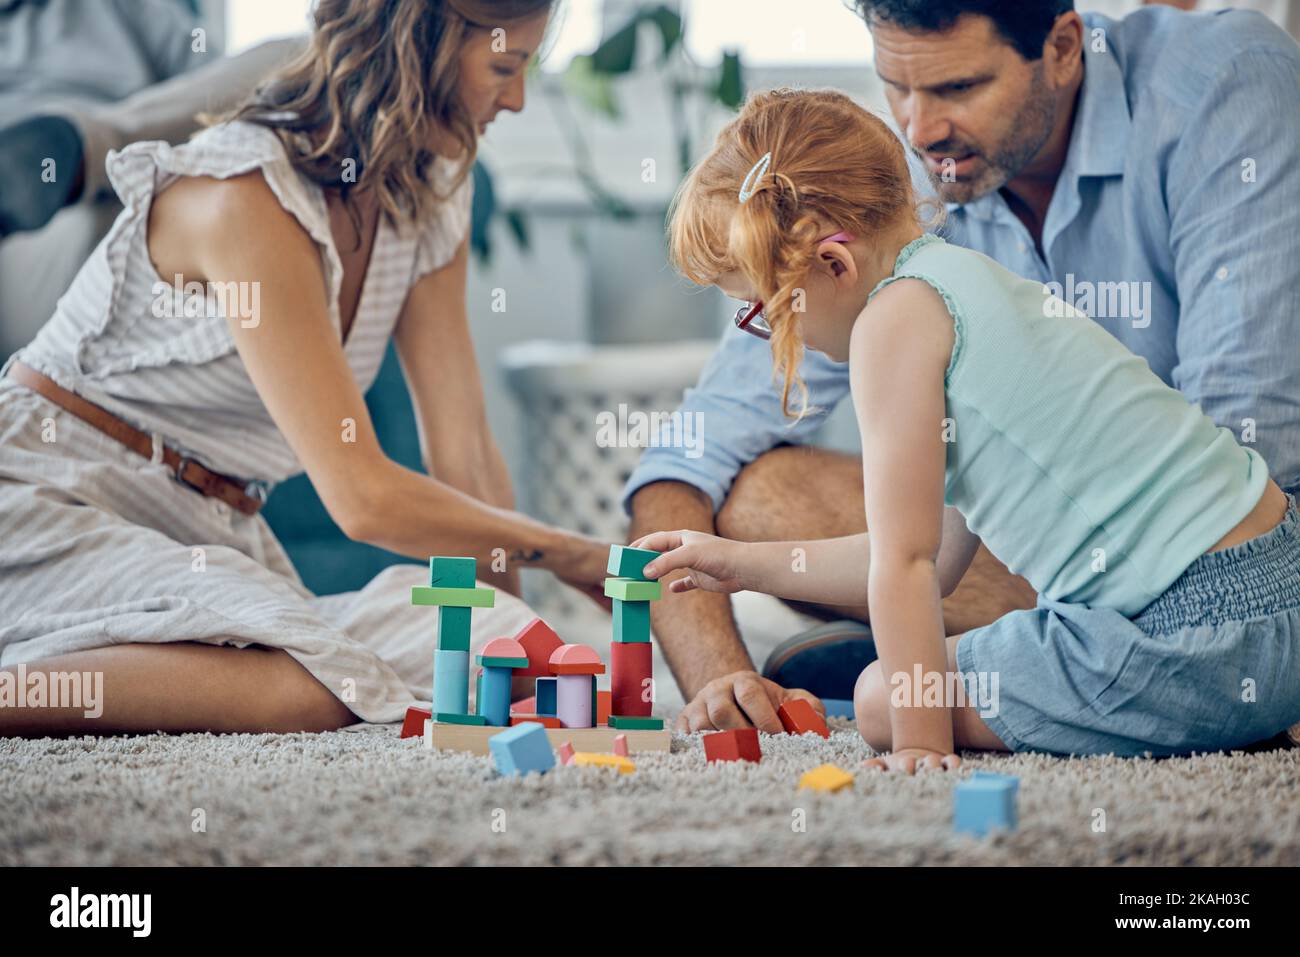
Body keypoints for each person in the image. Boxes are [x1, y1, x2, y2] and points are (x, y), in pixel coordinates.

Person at [625, 0, 1300, 733]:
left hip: (1192, 622)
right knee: (790, 517)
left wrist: (919, 745)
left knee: (886, 695)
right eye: (897, 89)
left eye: (764, 313)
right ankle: (969, 654)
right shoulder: (963, 277)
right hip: (1280, 581)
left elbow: (908, 565)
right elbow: (937, 553)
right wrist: (739, 563)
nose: (920, 130)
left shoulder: (891, 323)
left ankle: (958, 660)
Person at [0, 0, 612, 737]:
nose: (515, 99)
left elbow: (466, 455)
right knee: (307, 684)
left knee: (452, 646)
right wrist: (576, 551)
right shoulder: (246, 197)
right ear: (417, 46)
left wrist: (512, 644)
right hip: (54, 497)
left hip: (205, 528)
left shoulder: (432, 190)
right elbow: (363, 498)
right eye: (504, 68)